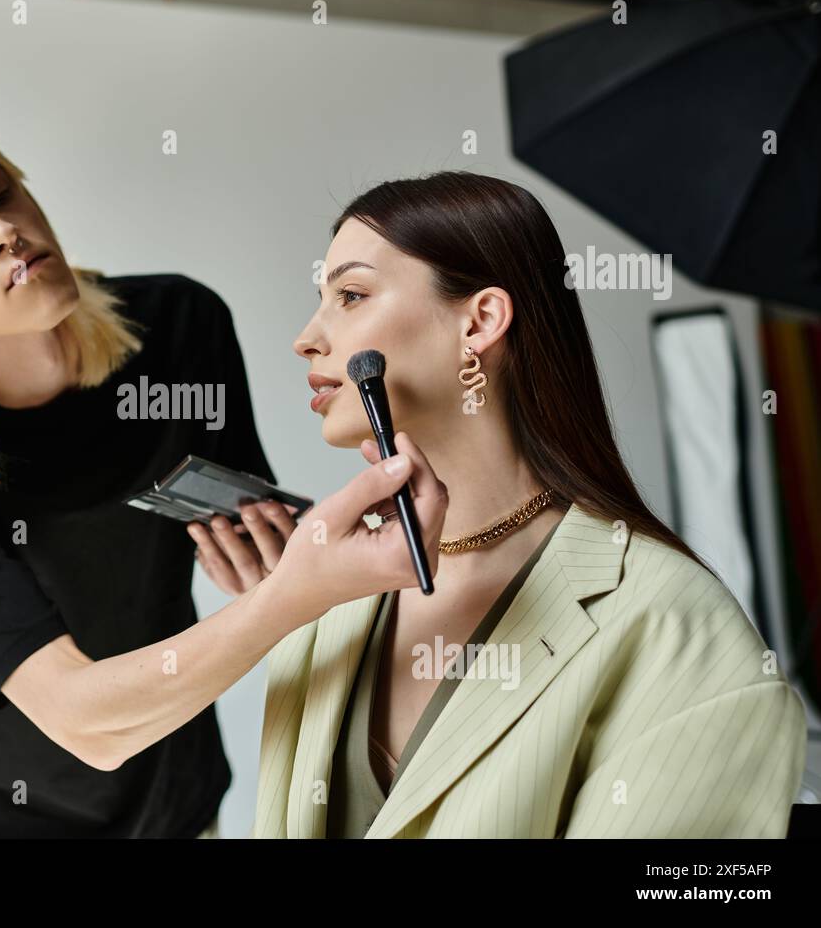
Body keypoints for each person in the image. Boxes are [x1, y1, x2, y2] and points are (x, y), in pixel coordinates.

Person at [0, 110, 446, 837]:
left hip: (182, 791)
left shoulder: (181, 325)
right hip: (13, 812)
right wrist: (293, 595)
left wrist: (299, 559)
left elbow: (257, 533)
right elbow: (85, 721)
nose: (1, 231)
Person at [205, 171, 807, 838]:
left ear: (481, 320)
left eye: (350, 295)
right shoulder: (327, 601)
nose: (307, 338)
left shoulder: (677, 631)